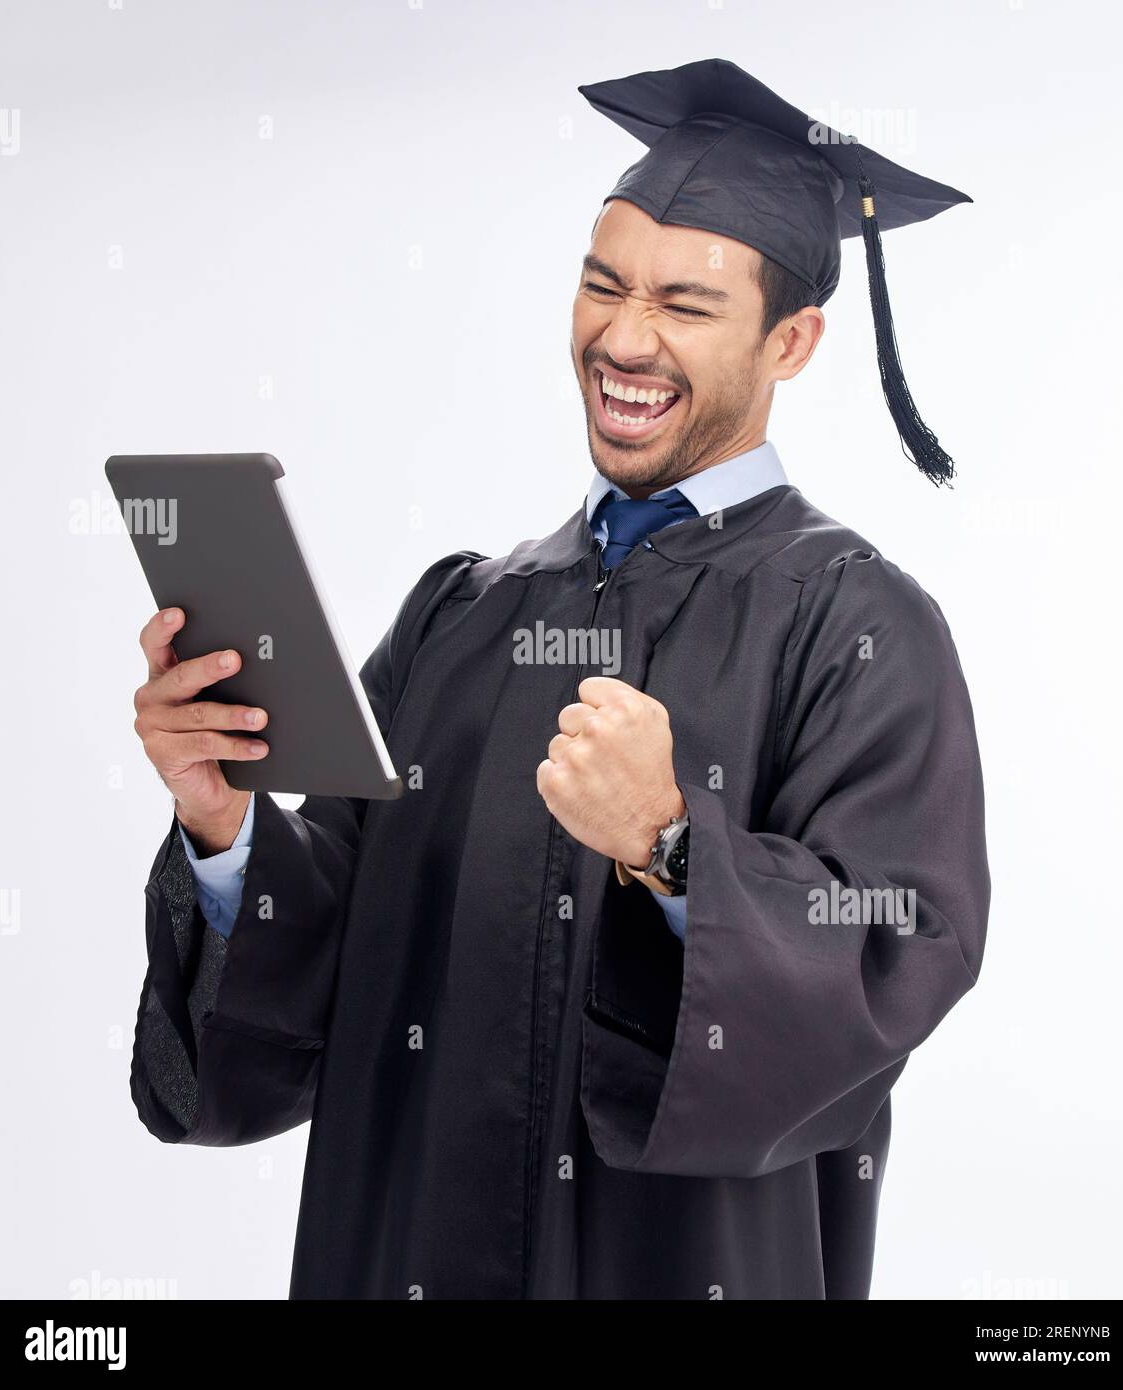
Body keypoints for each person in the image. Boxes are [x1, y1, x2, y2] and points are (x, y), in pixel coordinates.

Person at [127, 59, 989, 1299]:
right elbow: (334, 964)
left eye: (686, 305)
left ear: (790, 341)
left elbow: (899, 947)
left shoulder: (856, 622)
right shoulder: (461, 611)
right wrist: (222, 827)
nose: (625, 339)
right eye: (602, 286)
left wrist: (674, 850)